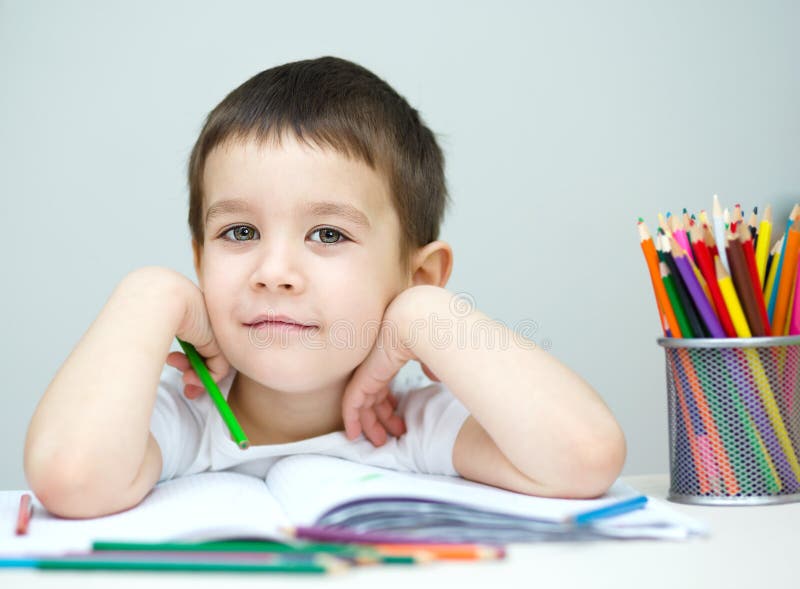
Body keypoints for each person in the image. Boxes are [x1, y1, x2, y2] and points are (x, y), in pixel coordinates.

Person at [24, 56, 626, 518]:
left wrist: (421, 314)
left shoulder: (413, 425)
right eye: (239, 231)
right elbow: (70, 479)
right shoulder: (184, 419)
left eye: (329, 235)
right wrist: (148, 296)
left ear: (418, 273)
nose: (274, 270)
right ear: (200, 263)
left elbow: (584, 458)